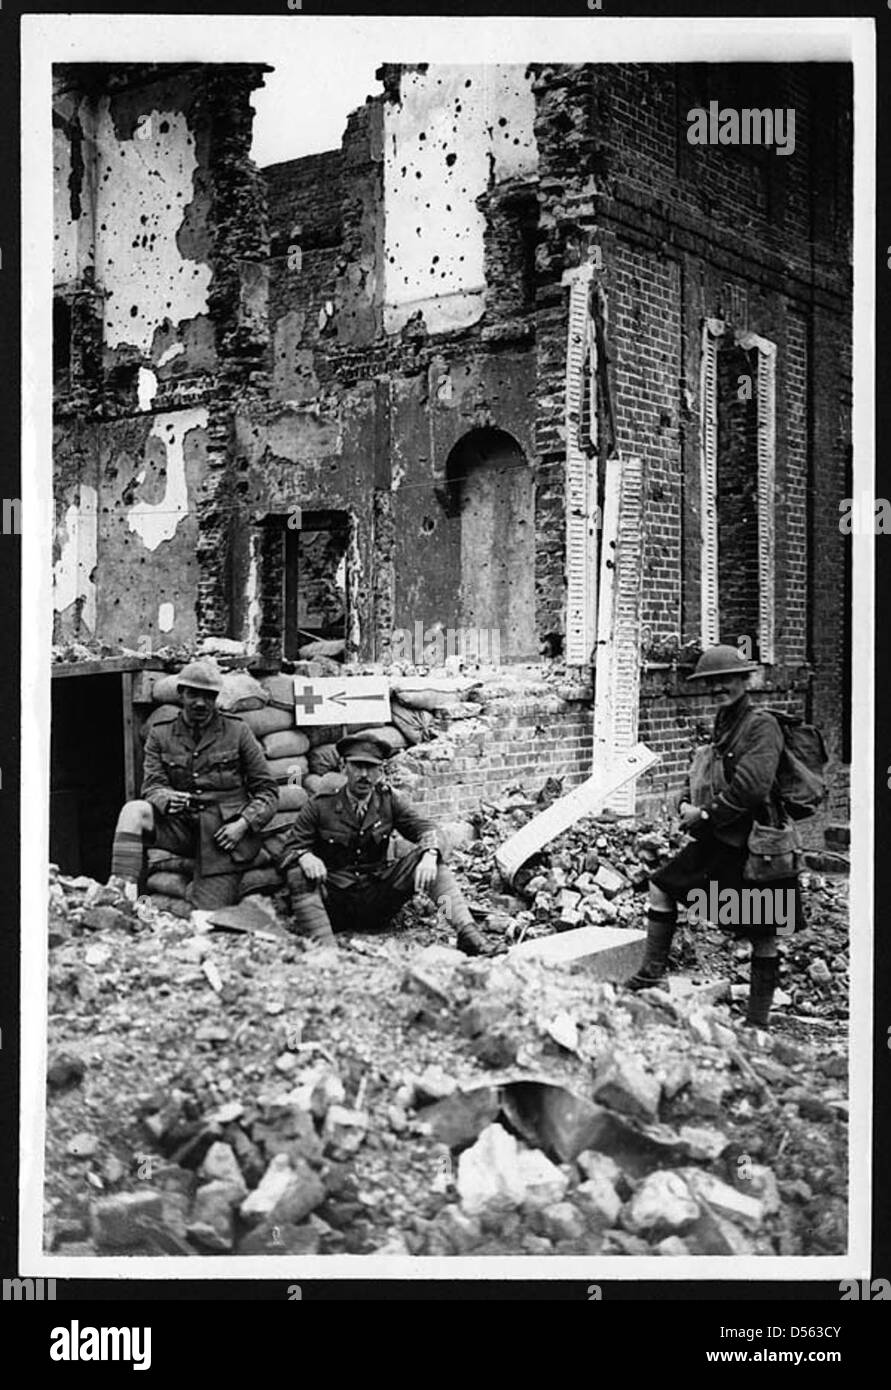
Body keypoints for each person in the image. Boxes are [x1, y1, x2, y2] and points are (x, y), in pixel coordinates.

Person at [624, 644, 802, 1028]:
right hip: (723, 841)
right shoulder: (725, 721)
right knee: (662, 886)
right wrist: (689, 802)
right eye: (711, 682)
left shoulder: (762, 725)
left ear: (744, 680)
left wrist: (703, 815)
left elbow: (752, 788)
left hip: (758, 844)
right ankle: (651, 973)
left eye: (726, 679)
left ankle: (757, 1023)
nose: (718, 687)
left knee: (763, 932)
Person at [273, 733, 503, 956]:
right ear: (344, 767)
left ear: (380, 771)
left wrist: (430, 854)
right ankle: (327, 951)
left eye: (371, 767)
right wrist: (305, 856)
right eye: (357, 766)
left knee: (433, 862)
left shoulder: (388, 800)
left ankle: (468, 934)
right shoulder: (320, 804)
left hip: (377, 899)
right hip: (336, 903)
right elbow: (289, 849)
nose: (364, 775)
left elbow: (428, 829)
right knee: (297, 873)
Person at [109, 661, 278, 909]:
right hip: (181, 826)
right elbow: (152, 786)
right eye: (193, 694)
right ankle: (122, 892)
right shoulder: (160, 734)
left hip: (223, 836)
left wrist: (242, 825)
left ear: (216, 698)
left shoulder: (238, 731)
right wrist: (166, 798)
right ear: (180, 694)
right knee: (133, 810)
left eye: (208, 696)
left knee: (205, 912)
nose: (200, 703)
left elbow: (268, 791)